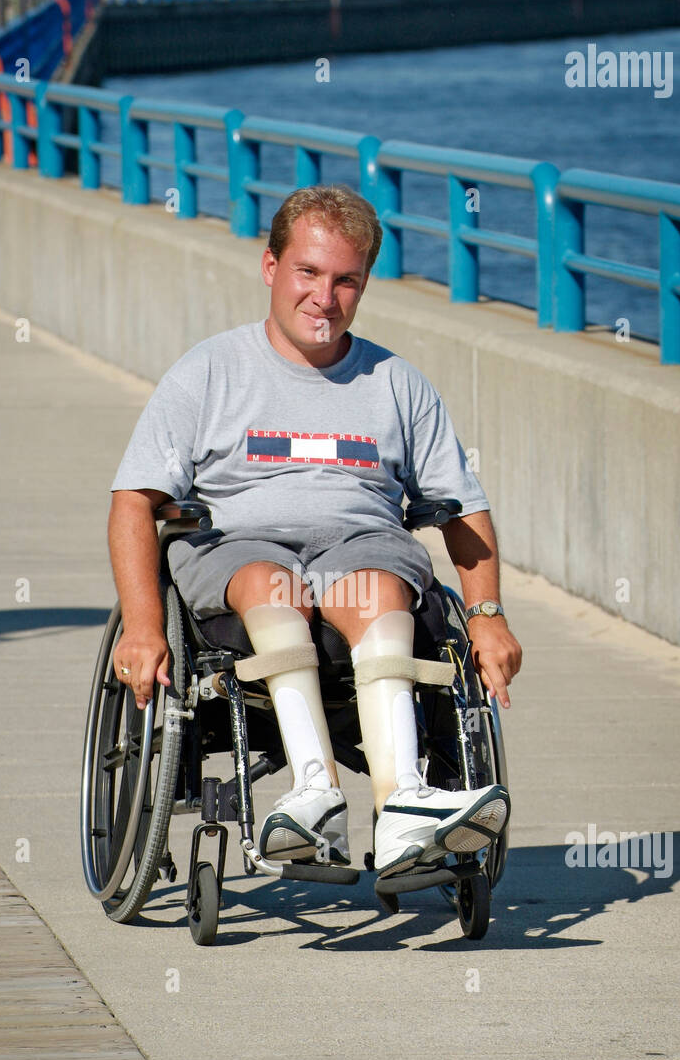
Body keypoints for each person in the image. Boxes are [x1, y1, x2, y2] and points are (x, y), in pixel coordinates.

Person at [108, 185, 520, 880]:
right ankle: (312, 792)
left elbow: (461, 509)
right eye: (308, 273)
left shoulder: (396, 383)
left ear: (363, 285)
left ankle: (404, 806)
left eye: (344, 281)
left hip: (360, 544)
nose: (323, 298)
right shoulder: (208, 372)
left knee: (376, 582)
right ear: (271, 267)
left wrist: (486, 615)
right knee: (271, 582)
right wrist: (144, 625)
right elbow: (132, 503)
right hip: (237, 546)